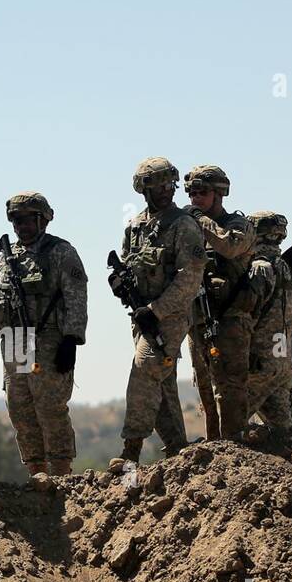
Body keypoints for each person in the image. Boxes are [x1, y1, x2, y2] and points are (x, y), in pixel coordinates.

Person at [0, 192, 88, 477]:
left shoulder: (60, 252)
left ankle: (61, 473)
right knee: (21, 410)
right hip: (14, 342)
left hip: (48, 341)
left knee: (50, 408)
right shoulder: (6, 258)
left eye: (27, 219)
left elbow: (76, 294)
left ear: (43, 219)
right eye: (16, 219)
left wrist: (72, 339)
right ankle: (36, 473)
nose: (21, 225)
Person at [110, 157, 206, 472]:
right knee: (161, 384)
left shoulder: (184, 225)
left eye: (168, 184)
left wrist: (156, 310)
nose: (164, 190)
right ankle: (179, 450)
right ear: (144, 189)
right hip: (141, 318)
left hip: (171, 316)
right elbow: (126, 264)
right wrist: (118, 282)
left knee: (144, 368)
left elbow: (189, 278)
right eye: (156, 185)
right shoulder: (135, 227)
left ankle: (130, 449)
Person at [183, 164, 255, 441]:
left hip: (231, 317)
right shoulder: (188, 229)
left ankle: (234, 443)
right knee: (204, 385)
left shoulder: (238, 225)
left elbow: (230, 246)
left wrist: (199, 219)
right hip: (198, 317)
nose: (195, 199)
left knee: (230, 384)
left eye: (201, 192)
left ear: (219, 194)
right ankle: (215, 446)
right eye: (191, 193)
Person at [243, 211, 292, 443]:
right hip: (282, 360)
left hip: (257, 364)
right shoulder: (291, 269)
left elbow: (244, 315)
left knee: (227, 431)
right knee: (282, 433)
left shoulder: (258, 269)